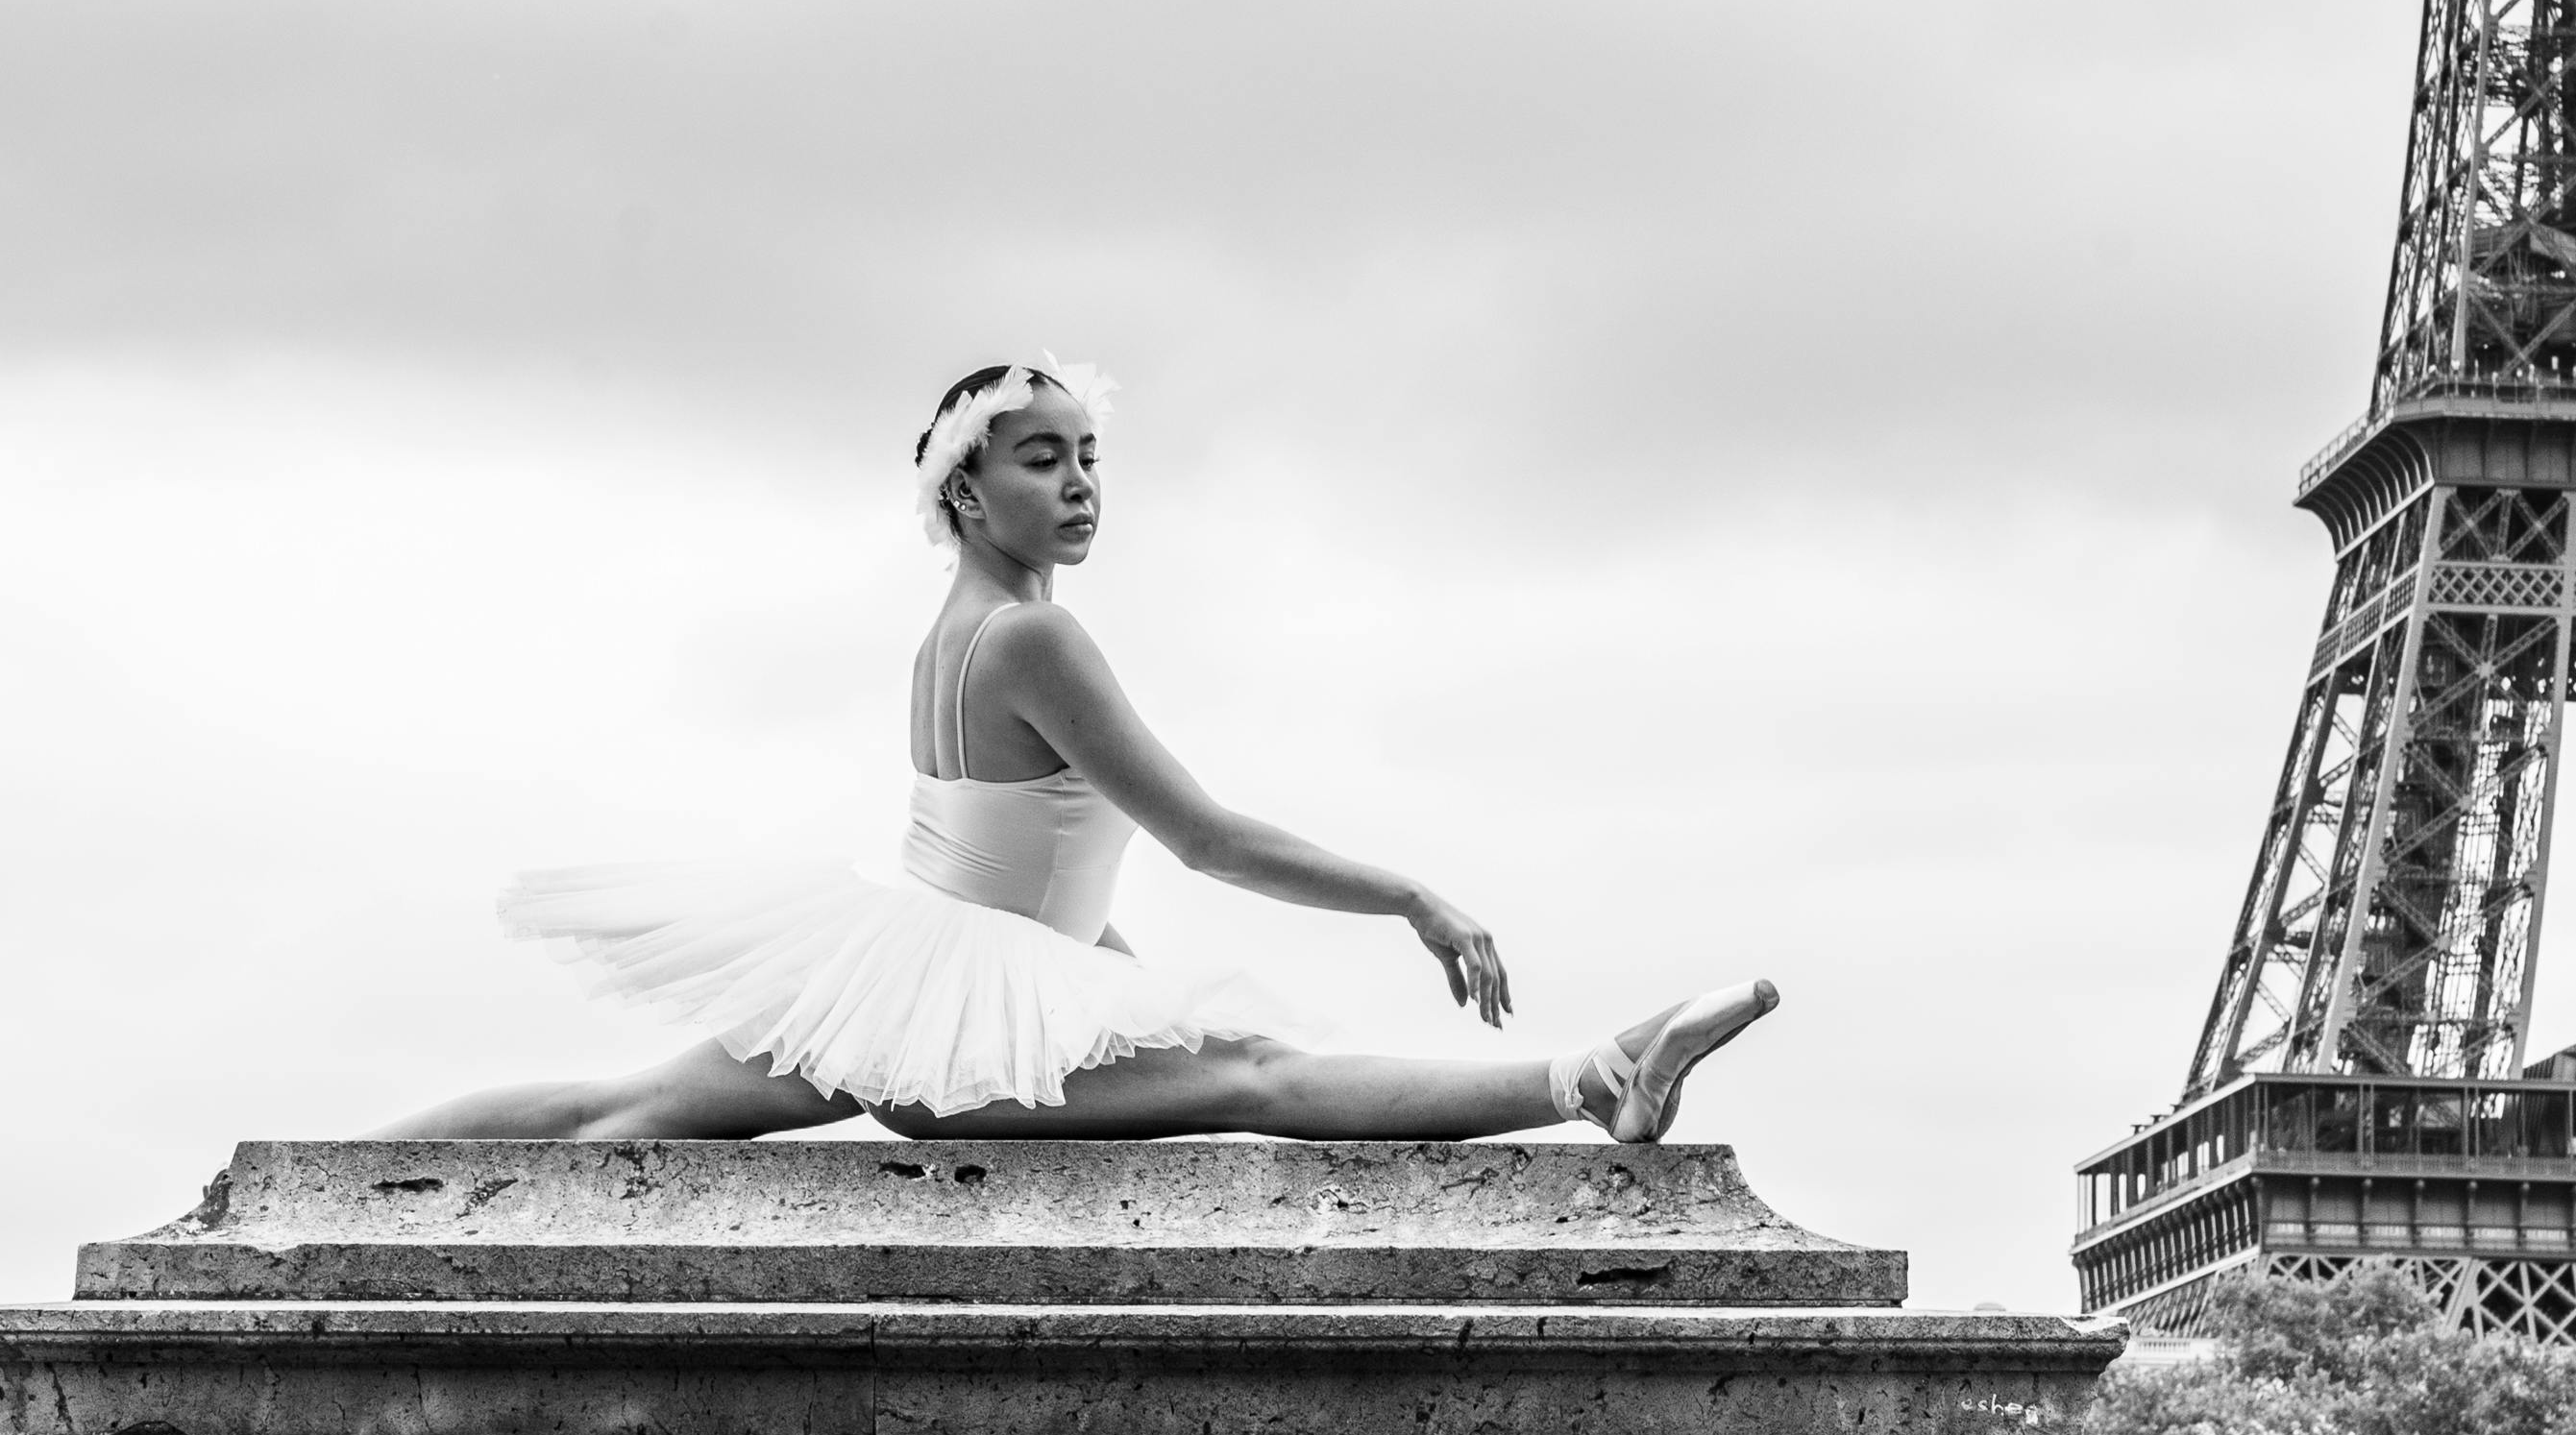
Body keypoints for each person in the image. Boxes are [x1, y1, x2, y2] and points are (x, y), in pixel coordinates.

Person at [400, 354, 1776, 1151]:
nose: (1077, 486)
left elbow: (1013, 861)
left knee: (627, 1112)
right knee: (1261, 1082)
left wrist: (1112, 985)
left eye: (1088, 457)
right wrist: (1413, 895)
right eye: (1040, 459)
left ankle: (298, 1191)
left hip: (927, 971)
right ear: (964, 489)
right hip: (954, 1004)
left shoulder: (960, 630)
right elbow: (1207, 840)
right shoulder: (1028, 642)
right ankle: (1593, 1078)